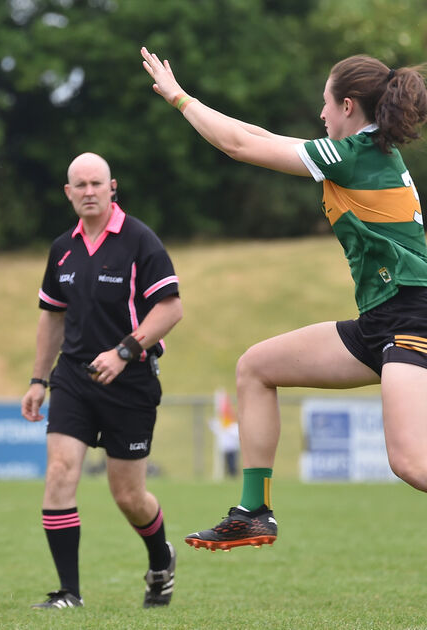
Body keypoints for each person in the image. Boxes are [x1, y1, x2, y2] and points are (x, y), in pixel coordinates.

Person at [140, 47, 427, 551]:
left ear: (347, 106)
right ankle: (254, 512)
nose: (320, 113)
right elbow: (260, 138)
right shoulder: (357, 154)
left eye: (326, 102)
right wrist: (190, 99)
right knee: (257, 367)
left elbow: (237, 147)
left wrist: (179, 98)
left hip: (413, 316)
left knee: (409, 462)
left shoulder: (354, 157)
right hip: (381, 321)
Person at [20, 152, 183, 609]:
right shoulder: (62, 249)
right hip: (72, 378)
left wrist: (124, 352)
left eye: (97, 183)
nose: (89, 191)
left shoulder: (140, 241)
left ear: (113, 187)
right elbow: (51, 318)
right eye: (80, 185)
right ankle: (68, 593)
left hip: (130, 382)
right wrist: (38, 380)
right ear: (68, 193)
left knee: (128, 494)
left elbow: (171, 309)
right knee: (59, 473)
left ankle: (160, 559)